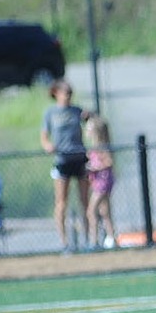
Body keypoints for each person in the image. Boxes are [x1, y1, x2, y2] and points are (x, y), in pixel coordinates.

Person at [39, 79, 89, 250]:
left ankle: (88, 239)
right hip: (62, 160)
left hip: (80, 159)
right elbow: (44, 136)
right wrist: (48, 146)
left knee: (85, 202)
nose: (68, 96)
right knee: (61, 203)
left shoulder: (77, 111)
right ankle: (64, 242)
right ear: (57, 94)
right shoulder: (50, 113)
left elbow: (93, 124)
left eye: (70, 93)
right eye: (65, 93)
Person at [83, 113, 117, 250]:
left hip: (103, 183)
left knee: (91, 211)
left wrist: (94, 167)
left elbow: (109, 162)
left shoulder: (102, 147)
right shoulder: (94, 147)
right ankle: (111, 237)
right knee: (105, 211)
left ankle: (94, 241)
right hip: (97, 182)